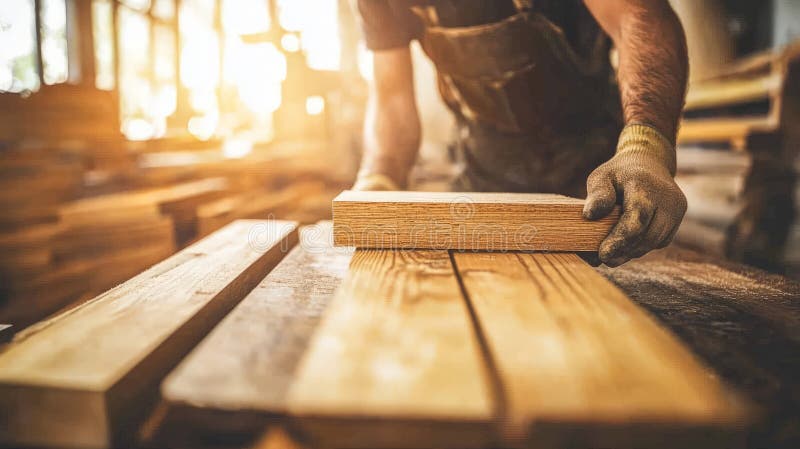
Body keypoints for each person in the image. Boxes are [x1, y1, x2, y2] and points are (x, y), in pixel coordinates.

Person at [352, 0, 689, 267]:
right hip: (485, 171)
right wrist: (378, 177)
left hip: (594, 176)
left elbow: (638, 16)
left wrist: (645, 146)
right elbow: (391, 97)